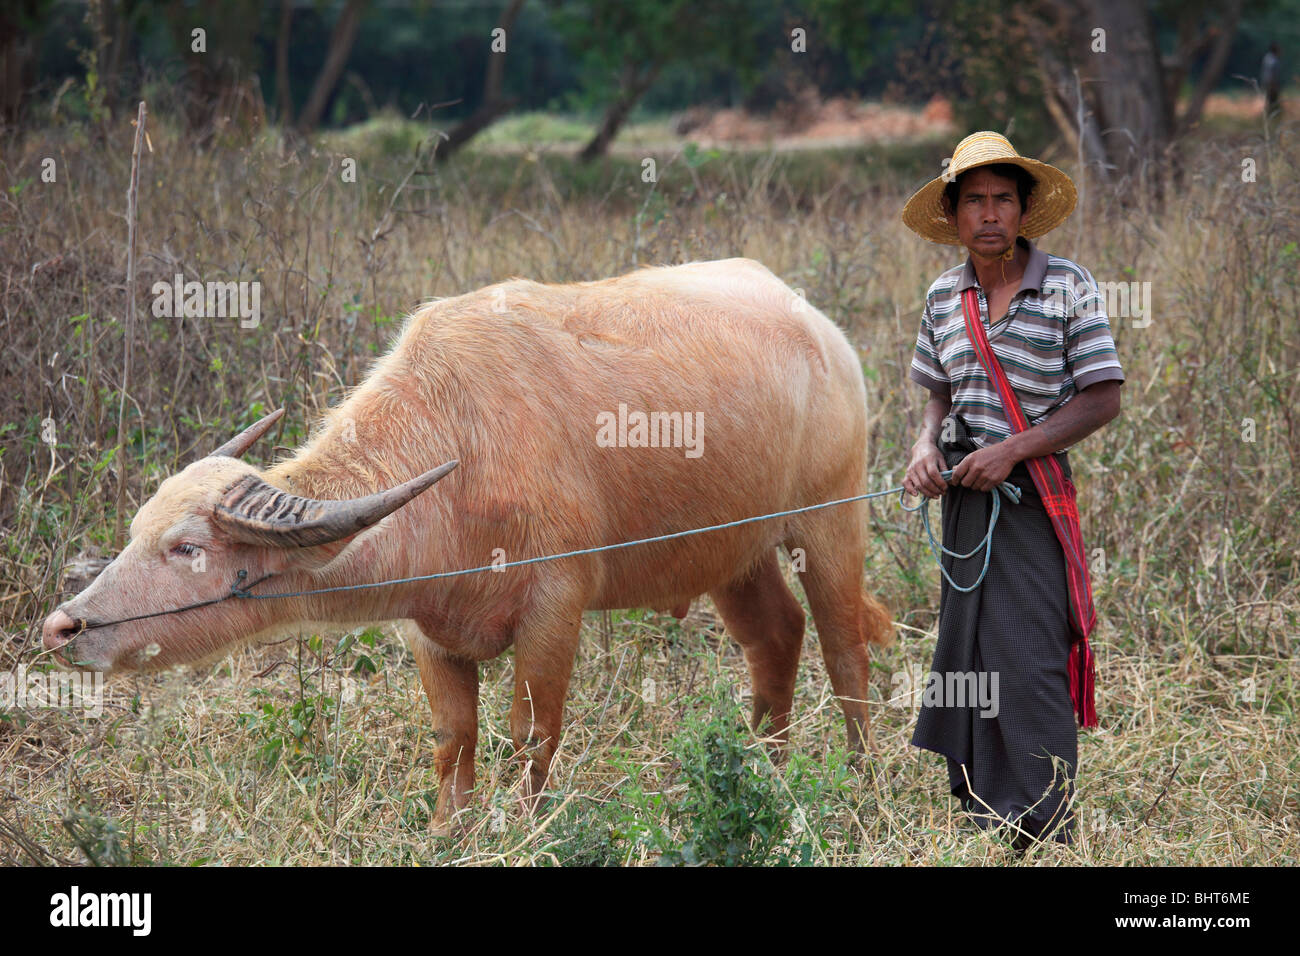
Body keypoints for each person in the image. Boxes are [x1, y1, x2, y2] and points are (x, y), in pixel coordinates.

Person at [900, 131, 1124, 848]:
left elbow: (1101, 397)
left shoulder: (1067, 286)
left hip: (1030, 500)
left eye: (1003, 199)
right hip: (967, 498)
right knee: (966, 653)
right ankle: (979, 811)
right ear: (955, 214)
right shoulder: (943, 295)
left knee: (1026, 658)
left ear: (1025, 210)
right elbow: (936, 392)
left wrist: (1013, 451)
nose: (989, 213)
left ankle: (1043, 821)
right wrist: (925, 445)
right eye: (974, 201)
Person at [1262, 43, 1281, 121]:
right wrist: (1274, 85)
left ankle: (1268, 117)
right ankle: (1273, 117)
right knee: (1273, 101)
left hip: (1267, 83)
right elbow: (1272, 74)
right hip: (1272, 83)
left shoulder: (1267, 58)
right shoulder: (1273, 60)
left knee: (1269, 100)